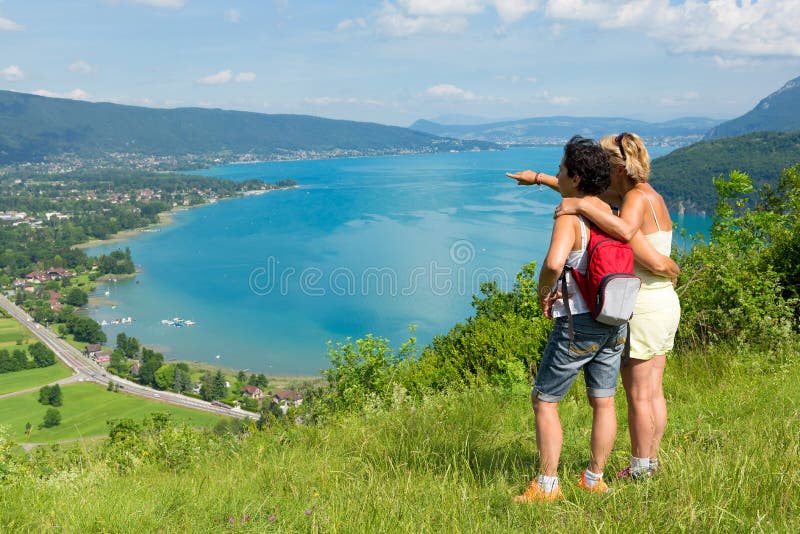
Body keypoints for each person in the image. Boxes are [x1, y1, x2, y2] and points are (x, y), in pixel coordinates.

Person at [511, 132, 680, 479]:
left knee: (636, 396)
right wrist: (541, 180)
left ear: (617, 170)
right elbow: (589, 196)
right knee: (646, 393)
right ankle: (632, 467)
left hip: (639, 303)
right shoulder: (641, 196)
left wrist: (668, 267)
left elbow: (628, 237)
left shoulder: (631, 200)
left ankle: (639, 469)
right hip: (652, 304)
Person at [512, 136, 625, 503]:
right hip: (615, 317)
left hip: (578, 322)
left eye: (561, 169)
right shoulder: (611, 211)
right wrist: (541, 178)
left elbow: (553, 263)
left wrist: (544, 292)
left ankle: (547, 486)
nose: (558, 174)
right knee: (604, 402)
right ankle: (594, 478)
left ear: (576, 178)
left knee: (545, 400)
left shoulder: (571, 216)